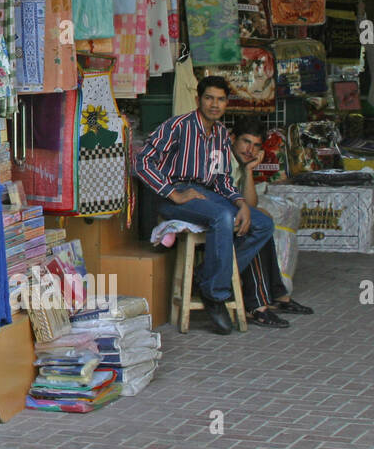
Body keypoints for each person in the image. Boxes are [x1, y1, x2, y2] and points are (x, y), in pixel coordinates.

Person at [133, 76, 274, 335]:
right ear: (199, 99)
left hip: (208, 195)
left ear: (226, 103)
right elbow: (142, 161)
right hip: (175, 196)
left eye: (220, 99)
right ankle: (215, 295)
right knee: (221, 216)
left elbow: (221, 180)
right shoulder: (177, 126)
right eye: (209, 98)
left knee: (263, 223)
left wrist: (241, 203)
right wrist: (172, 193)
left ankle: (206, 275)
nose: (214, 104)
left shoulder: (221, 133)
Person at [229, 116, 313, 328]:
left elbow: (250, 202)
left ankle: (276, 295)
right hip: (217, 218)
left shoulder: (241, 163)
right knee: (256, 226)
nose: (250, 149)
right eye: (246, 142)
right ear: (232, 139)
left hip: (231, 216)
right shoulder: (224, 160)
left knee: (261, 222)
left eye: (256, 145)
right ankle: (257, 305)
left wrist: (249, 170)